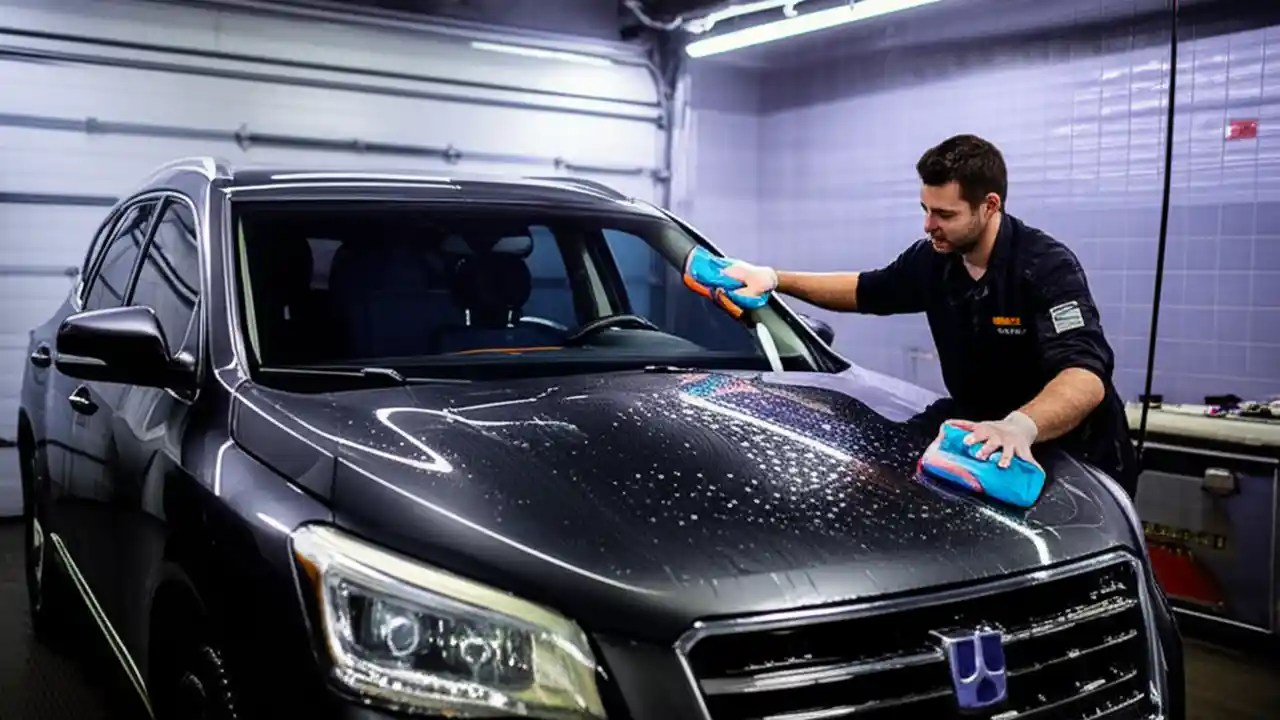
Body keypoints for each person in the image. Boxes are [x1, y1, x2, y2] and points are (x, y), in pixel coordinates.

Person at [723, 133, 1139, 497]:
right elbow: (866, 289)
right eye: (925, 208)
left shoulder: (1045, 267)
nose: (928, 225)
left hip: (1064, 446)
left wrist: (1020, 427)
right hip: (981, 430)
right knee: (881, 459)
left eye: (944, 214)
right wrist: (775, 278)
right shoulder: (935, 261)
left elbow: (1085, 376)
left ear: (989, 205)